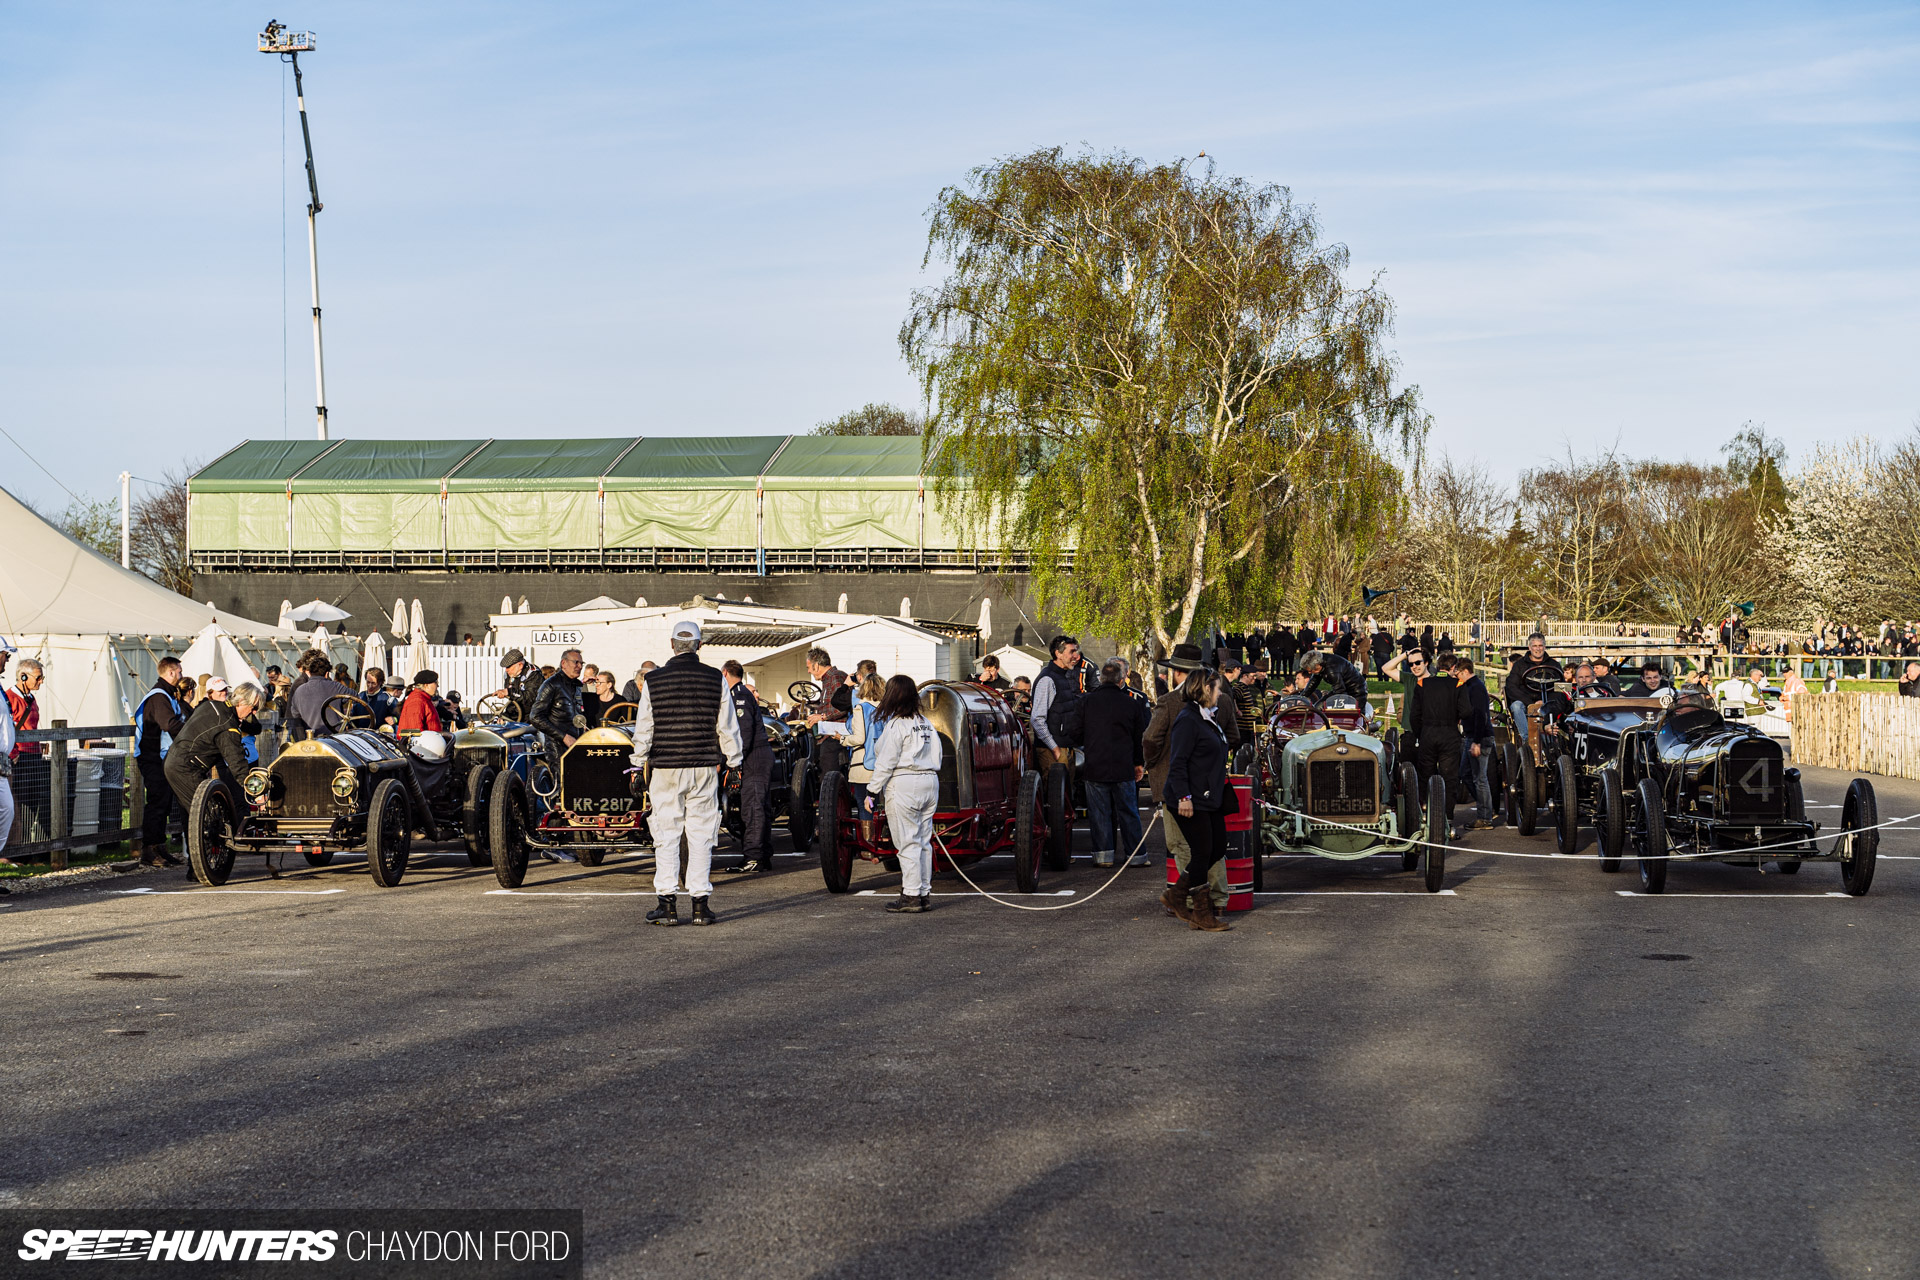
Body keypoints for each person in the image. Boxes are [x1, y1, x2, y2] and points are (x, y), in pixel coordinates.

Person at [629, 621, 744, 926]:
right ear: (699, 645)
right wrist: (734, 764)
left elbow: (645, 728)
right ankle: (700, 906)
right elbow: (727, 726)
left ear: (672, 645)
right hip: (703, 766)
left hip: (665, 767)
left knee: (666, 834)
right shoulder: (715, 678)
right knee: (702, 834)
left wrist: (637, 765)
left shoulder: (653, 680)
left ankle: (667, 905)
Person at [1143, 646, 1235, 921]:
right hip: (1190, 787)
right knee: (1204, 848)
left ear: (1177, 672)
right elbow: (1234, 736)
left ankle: (1187, 899)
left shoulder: (1172, 702)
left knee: (1196, 847)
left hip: (1192, 786)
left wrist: (1152, 765)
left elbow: (1151, 740)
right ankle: (1211, 900)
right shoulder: (1217, 703)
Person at [863, 673, 943, 913]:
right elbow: (938, 753)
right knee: (924, 842)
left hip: (905, 782)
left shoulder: (897, 724)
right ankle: (923, 893)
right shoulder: (925, 722)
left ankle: (911, 895)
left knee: (907, 843)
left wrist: (872, 791)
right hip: (930, 781)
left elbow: (886, 762)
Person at [1080, 659, 1148, 868]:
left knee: (1099, 813)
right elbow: (1139, 737)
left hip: (1095, 764)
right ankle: (1136, 855)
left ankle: (1103, 855)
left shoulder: (1086, 701)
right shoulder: (1132, 703)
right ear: (1121, 680)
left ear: (1101, 679)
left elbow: (1075, 731)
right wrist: (1139, 763)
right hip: (1123, 765)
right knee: (1129, 812)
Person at [164, 679, 262, 813]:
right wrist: (257, 792)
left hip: (175, 760)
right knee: (208, 813)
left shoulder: (211, 705)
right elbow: (238, 765)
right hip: (187, 768)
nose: (254, 712)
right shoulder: (227, 726)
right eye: (254, 708)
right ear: (241, 702)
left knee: (193, 813)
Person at [722, 659, 777, 875]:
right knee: (758, 808)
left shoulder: (739, 696)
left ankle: (753, 857)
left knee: (752, 809)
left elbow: (743, 733)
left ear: (725, 673)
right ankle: (762, 856)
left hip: (754, 758)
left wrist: (733, 761)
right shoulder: (740, 694)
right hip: (756, 756)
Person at [132, 656, 188, 867]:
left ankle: (159, 847)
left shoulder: (166, 694)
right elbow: (169, 724)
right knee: (157, 802)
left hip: (160, 755)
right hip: (152, 756)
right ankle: (149, 849)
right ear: (171, 672)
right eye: (179, 672)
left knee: (164, 802)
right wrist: (190, 733)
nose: (181, 675)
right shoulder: (159, 696)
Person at [1409, 653, 1470, 835]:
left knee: (1425, 775)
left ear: (1437, 667)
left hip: (1428, 733)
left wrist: (1420, 734)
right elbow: (1466, 711)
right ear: (1453, 668)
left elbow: (1414, 715)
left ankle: (1424, 815)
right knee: (1449, 778)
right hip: (1449, 734)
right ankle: (1447, 820)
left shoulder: (1423, 683)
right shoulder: (1458, 684)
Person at [1454, 656, 1497, 829]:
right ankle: (1486, 807)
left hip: (1479, 737)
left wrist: (1477, 742)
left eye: (1458, 673)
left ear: (1465, 671)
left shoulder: (1475, 688)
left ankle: (1485, 816)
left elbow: (1481, 715)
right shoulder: (1472, 686)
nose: (1457, 677)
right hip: (1473, 736)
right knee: (1465, 773)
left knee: (1480, 778)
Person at [8, 658, 48, 845]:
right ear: (23, 676)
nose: (41, 681)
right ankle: (17, 846)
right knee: (19, 802)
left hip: (34, 755)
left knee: (33, 801)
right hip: (20, 757)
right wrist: (14, 752)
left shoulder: (30, 698)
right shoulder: (9, 698)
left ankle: (27, 846)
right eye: (38, 677)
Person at [1504, 633, 1565, 745]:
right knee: (1516, 706)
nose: (1538, 649)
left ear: (1544, 647)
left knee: (1559, 703)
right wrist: (1530, 703)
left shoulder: (1554, 665)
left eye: (1540, 646)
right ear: (1529, 647)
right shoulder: (1520, 665)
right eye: (1535, 646)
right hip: (1525, 701)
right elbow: (1511, 687)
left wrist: (1545, 702)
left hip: (1548, 701)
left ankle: (1553, 739)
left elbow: (1561, 687)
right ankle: (1527, 739)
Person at [290, 652, 355, 737]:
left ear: (310, 673)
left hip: (310, 739)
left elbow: (295, 715)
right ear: (327, 674)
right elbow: (356, 697)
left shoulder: (299, 690)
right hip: (334, 738)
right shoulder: (336, 687)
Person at [1299, 648, 1367, 705]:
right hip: (1343, 688)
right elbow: (1314, 681)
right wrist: (1302, 697)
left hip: (1356, 691)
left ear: (1317, 665)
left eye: (1311, 670)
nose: (1309, 673)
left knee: (1356, 714)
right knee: (1319, 706)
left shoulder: (1332, 671)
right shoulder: (1320, 662)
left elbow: (1340, 692)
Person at [492, 649, 544, 723]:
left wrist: (510, 692)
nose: (506, 670)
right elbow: (512, 699)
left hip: (531, 716)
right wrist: (504, 716)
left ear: (520, 665)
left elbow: (531, 697)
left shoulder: (534, 674)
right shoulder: (508, 674)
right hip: (514, 713)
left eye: (508, 667)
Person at [397, 670, 444, 735]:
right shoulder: (417, 701)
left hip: (430, 739)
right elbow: (414, 730)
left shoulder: (424, 699)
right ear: (426, 685)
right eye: (436, 682)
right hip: (423, 741)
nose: (437, 686)